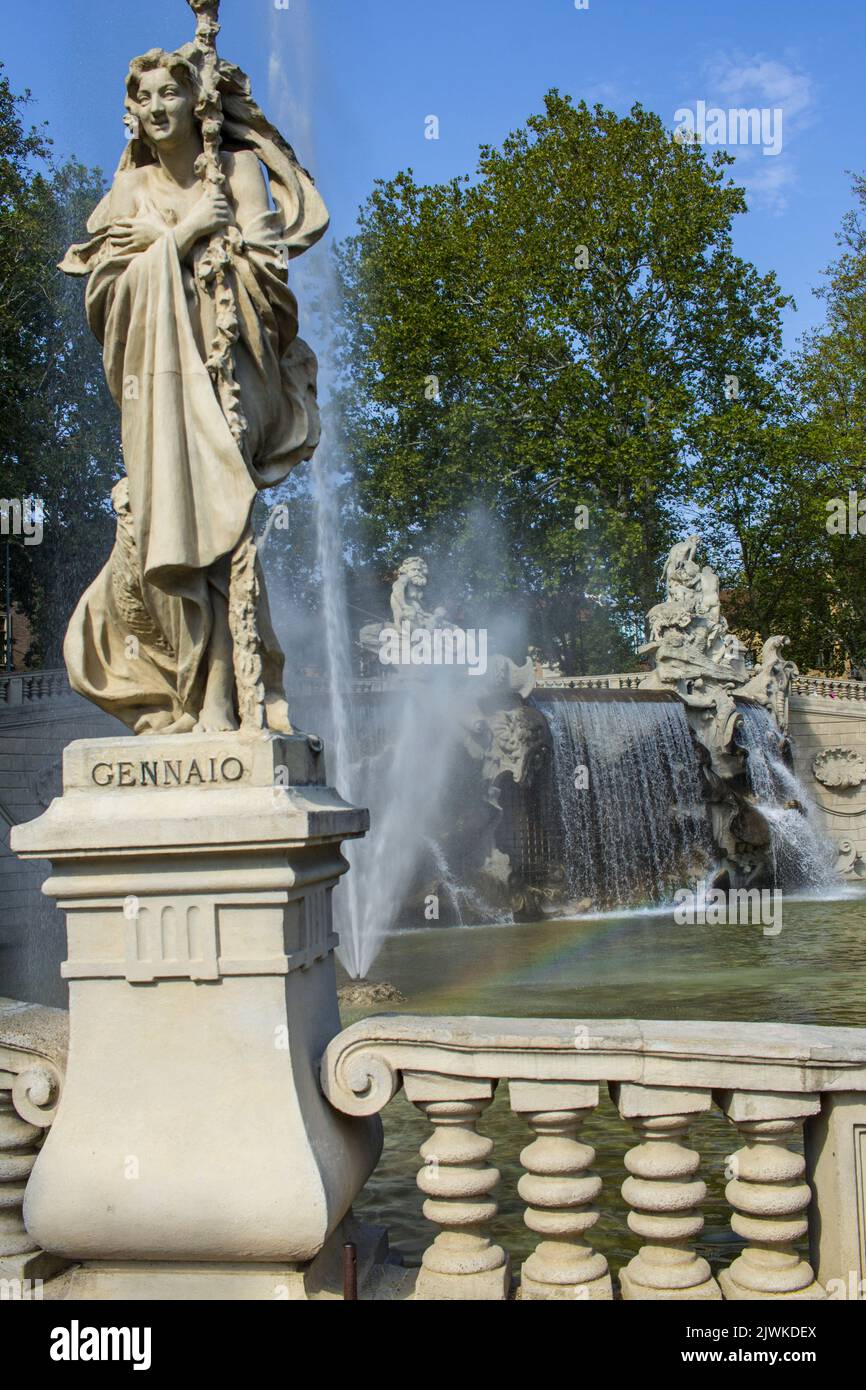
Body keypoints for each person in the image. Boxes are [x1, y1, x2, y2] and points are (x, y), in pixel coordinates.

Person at [61, 46, 328, 733]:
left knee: (219, 523)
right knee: (166, 525)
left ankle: (226, 694)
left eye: (169, 94)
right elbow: (107, 293)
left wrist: (229, 253)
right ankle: (190, 690)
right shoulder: (129, 193)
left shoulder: (235, 169)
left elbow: (272, 280)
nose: (157, 108)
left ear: (194, 102)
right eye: (143, 98)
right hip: (157, 386)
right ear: (133, 112)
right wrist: (184, 236)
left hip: (227, 371)